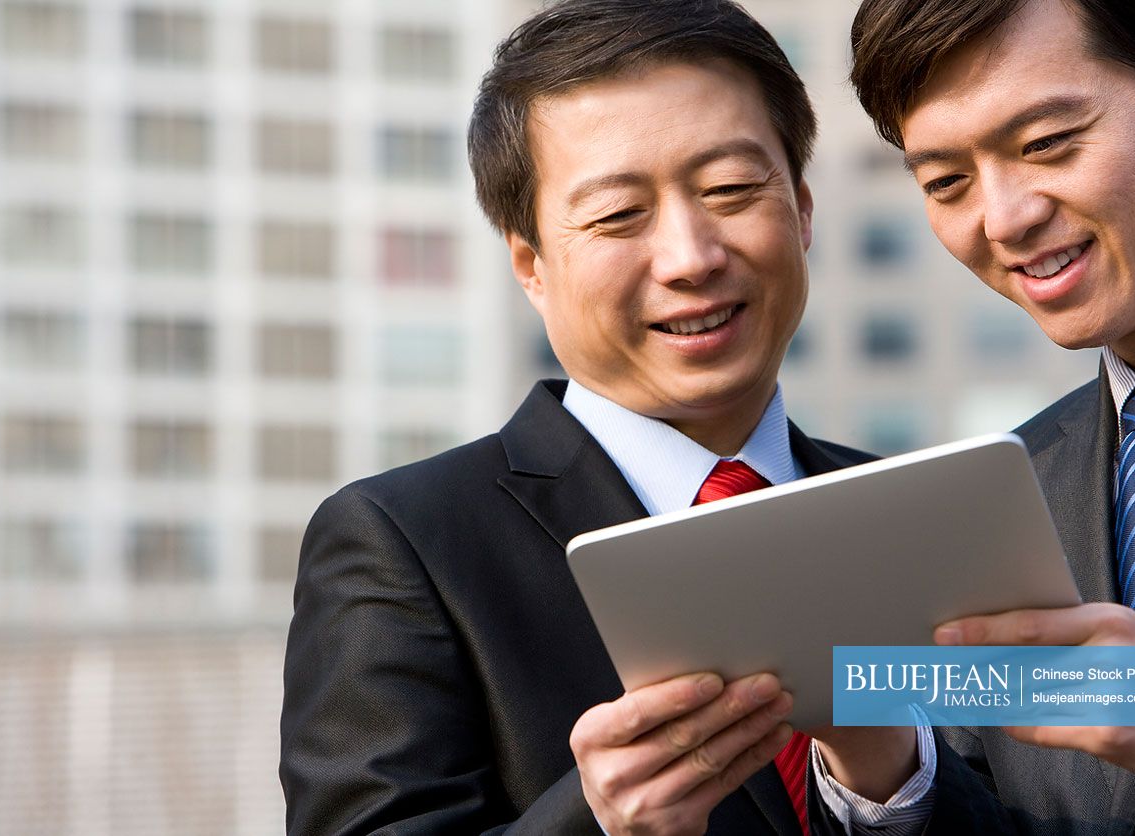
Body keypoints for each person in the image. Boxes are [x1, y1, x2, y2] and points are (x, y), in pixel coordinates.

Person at [280, 1, 1011, 833]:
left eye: (732, 190)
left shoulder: (920, 517)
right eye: (619, 215)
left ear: (802, 209)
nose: (691, 257)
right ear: (531, 262)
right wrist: (598, 822)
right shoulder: (403, 543)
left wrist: (890, 776)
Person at [849, 0, 1135, 832]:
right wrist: (883, 774)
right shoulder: (996, 493)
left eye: (1044, 144)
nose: (1004, 217)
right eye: (946, 183)